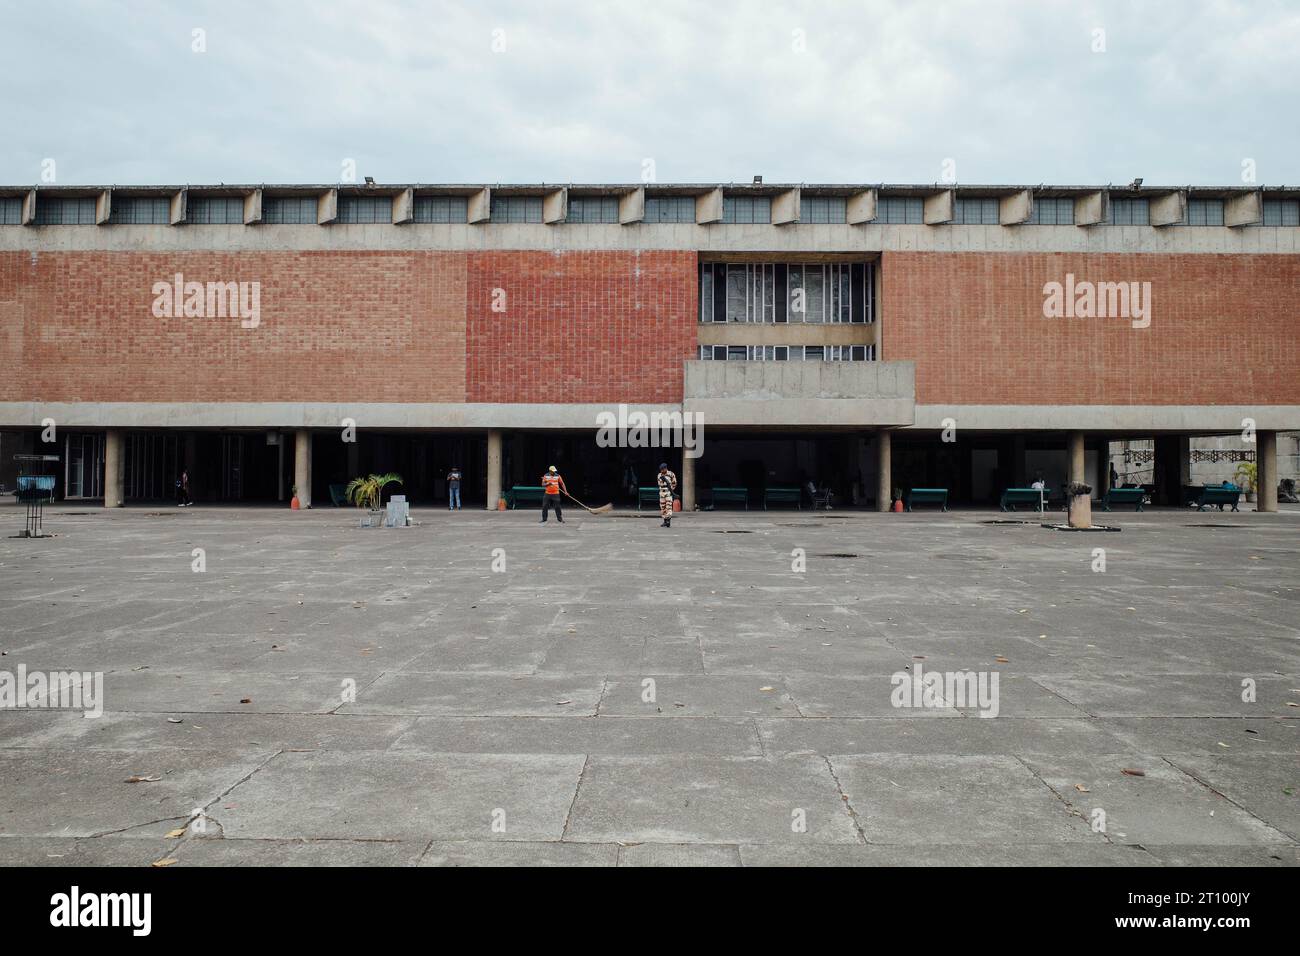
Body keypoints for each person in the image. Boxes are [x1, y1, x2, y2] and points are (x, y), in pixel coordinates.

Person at [656, 462, 677, 528]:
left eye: (663, 469)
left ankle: (668, 521)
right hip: (662, 492)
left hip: (668, 492)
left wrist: (671, 490)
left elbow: (674, 483)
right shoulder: (659, 475)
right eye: (661, 469)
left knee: (669, 507)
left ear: (665, 468)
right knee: (663, 507)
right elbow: (659, 484)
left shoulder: (671, 474)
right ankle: (665, 521)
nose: (661, 470)